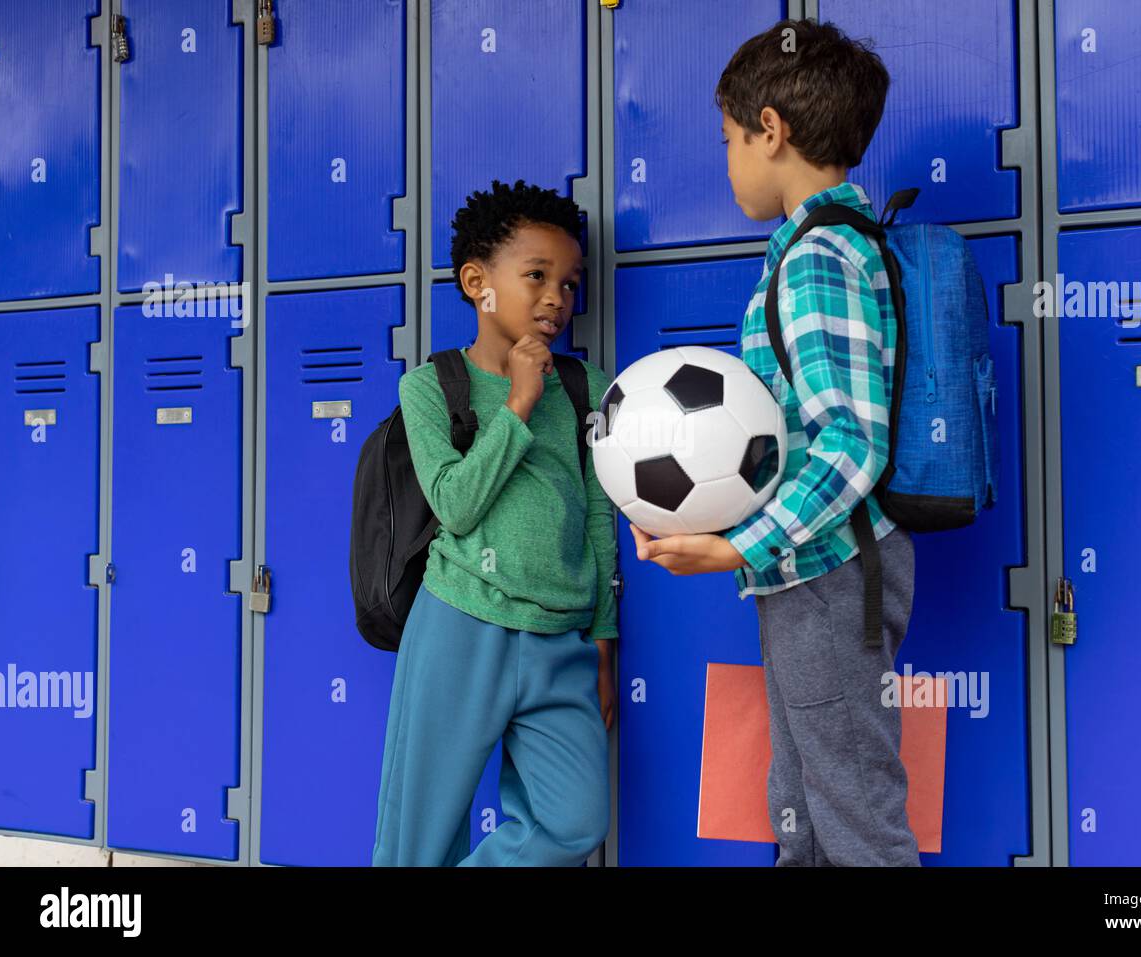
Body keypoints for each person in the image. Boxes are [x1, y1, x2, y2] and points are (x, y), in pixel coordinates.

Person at [630, 19, 920, 866]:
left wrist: (732, 546)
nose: (726, 163)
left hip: (832, 571)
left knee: (856, 813)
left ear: (771, 130)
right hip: (810, 570)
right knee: (801, 807)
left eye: (728, 140)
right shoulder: (819, 247)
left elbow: (850, 446)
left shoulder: (818, 258)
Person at [373, 179, 618, 867]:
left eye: (569, 283)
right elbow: (455, 502)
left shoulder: (586, 387)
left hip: (559, 639)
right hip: (459, 624)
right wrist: (516, 403)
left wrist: (603, 636)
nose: (556, 298)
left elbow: (599, 514)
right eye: (536, 275)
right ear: (477, 282)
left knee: (574, 820)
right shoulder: (430, 386)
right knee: (417, 840)